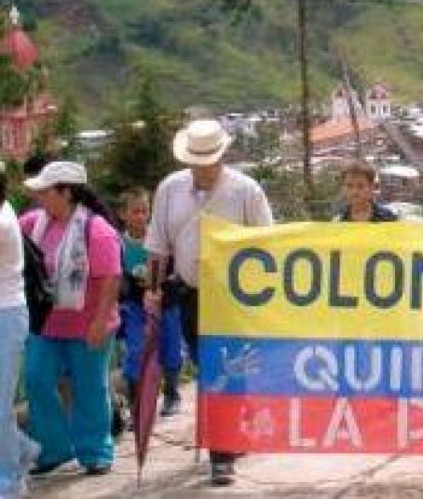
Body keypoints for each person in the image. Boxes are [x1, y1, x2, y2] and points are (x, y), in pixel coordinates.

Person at [144, 119, 273, 486]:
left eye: (208, 159)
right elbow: (157, 246)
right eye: (195, 160)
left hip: (233, 296)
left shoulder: (246, 190)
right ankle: (232, 430)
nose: (202, 166)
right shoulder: (170, 189)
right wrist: (153, 289)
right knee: (210, 368)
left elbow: (266, 243)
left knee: (224, 370)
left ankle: (222, 452)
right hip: (190, 294)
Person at [20, 162, 121, 477]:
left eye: (46, 191)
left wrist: (101, 322)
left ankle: (95, 451)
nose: (39, 197)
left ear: (66, 193)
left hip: (88, 323)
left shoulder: (96, 229)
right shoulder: (35, 223)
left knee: (89, 387)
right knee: (36, 379)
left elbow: (110, 278)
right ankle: (54, 448)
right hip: (47, 324)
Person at [116, 187, 184, 420]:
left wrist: (165, 280)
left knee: (171, 348)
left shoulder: (162, 239)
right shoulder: (118, 243)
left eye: (145, 211)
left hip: (166, 302)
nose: (141, 217)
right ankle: (139, 405)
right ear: (123, 214)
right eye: (135, 212)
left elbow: (176, 267)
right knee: (136, 351)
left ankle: (172, 394)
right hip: (136, 306)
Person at [1, 166, 39, 497]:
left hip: (6, 316)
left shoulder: (0, 219)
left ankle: (11, 481)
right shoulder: (5, 207)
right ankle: (23, 449)